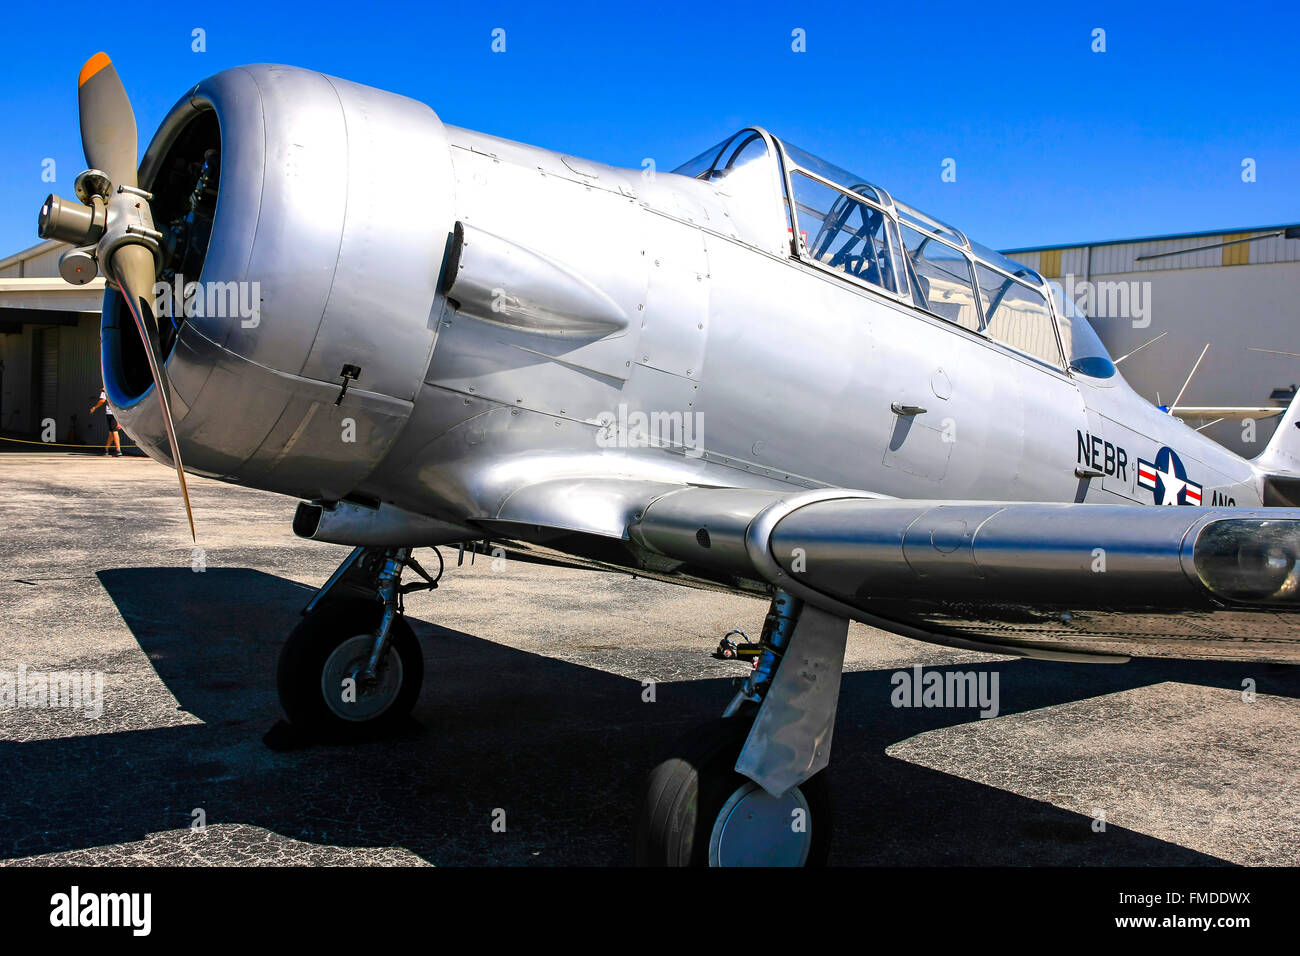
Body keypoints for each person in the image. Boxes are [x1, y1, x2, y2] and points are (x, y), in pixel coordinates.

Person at [90, 388, 122, 457]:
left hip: (111, 413)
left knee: (114, 431)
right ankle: (106, 449)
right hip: (117, 412)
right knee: (111, 432)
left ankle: (118, 450)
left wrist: (94, 407)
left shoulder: (105, 388)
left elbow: (102, 400)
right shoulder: (117, 388)